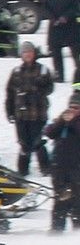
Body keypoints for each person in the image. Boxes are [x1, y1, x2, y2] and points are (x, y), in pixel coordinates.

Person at [5, 41, 54, 176]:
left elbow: (50, 88)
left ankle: (45, 167)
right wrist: (9, 111)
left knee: (38, 142)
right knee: (23, 143)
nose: (27, 54)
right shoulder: (16, 71)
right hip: (20, 115)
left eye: (30, 51)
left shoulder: (43, 70)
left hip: (38, 113)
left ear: (34, 53)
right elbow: (10, 93)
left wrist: (39, 88)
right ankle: (22, 169)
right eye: (25, 52)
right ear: (21, 54)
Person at [44, 88, 80, 231]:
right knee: (61, 200)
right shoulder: (62, 119)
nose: (73, 110)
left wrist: (72, 121)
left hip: (76, 168)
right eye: (71, 107)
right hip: (59, 167)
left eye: (76, 108)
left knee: (77, 201)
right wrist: (61, 121)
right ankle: (57, 230)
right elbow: (49, 132)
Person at [43, 0, 80, 83]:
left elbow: (75, 7)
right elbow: (45, 7)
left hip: (71, 25)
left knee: (76, 51)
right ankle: (59, 75)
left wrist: (66, 16)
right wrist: (52, 18)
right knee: (56, 51)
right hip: (55, 26)